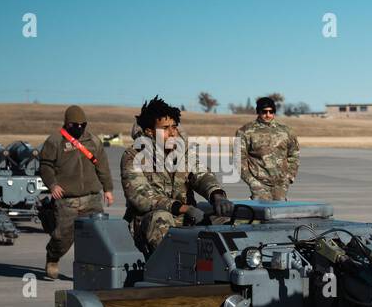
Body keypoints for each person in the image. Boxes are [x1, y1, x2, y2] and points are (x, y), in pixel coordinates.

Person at [120, 96, 233, 254]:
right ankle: (171, 274)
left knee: (225, 218)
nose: (172, 133)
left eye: (174, 127)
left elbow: (200, 174)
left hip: (186, 218)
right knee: (161, 218)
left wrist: (217, 194)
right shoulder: (133, 156)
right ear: (150, 132)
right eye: (165, 128)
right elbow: (141, 197)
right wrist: (184, 208)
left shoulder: (182, 152)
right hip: (149, 222)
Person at [37, 106, 114, 280]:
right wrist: (53, 185)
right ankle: (52, 258)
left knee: (96, 236)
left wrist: (108, 189)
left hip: (92, 198)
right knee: (62, 237)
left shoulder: (93, 141)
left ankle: (89, 270)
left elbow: (102, 166)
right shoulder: (55, 141)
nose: (79, 128)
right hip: (67, 201)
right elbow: (46, 166)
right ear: (66, 123)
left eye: (83, 125)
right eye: (75, 125)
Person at [238, 96, 299, 200]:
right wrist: (252, 182)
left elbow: (294, 156)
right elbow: (239, 159)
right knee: (261, 214)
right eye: (264, 112)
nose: (268, 115)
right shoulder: (245, 131)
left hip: (281, 184)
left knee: (280, 213)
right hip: (259, 184)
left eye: (271, 111)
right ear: (258, 111)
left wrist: (288, 178)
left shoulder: (286, 131)